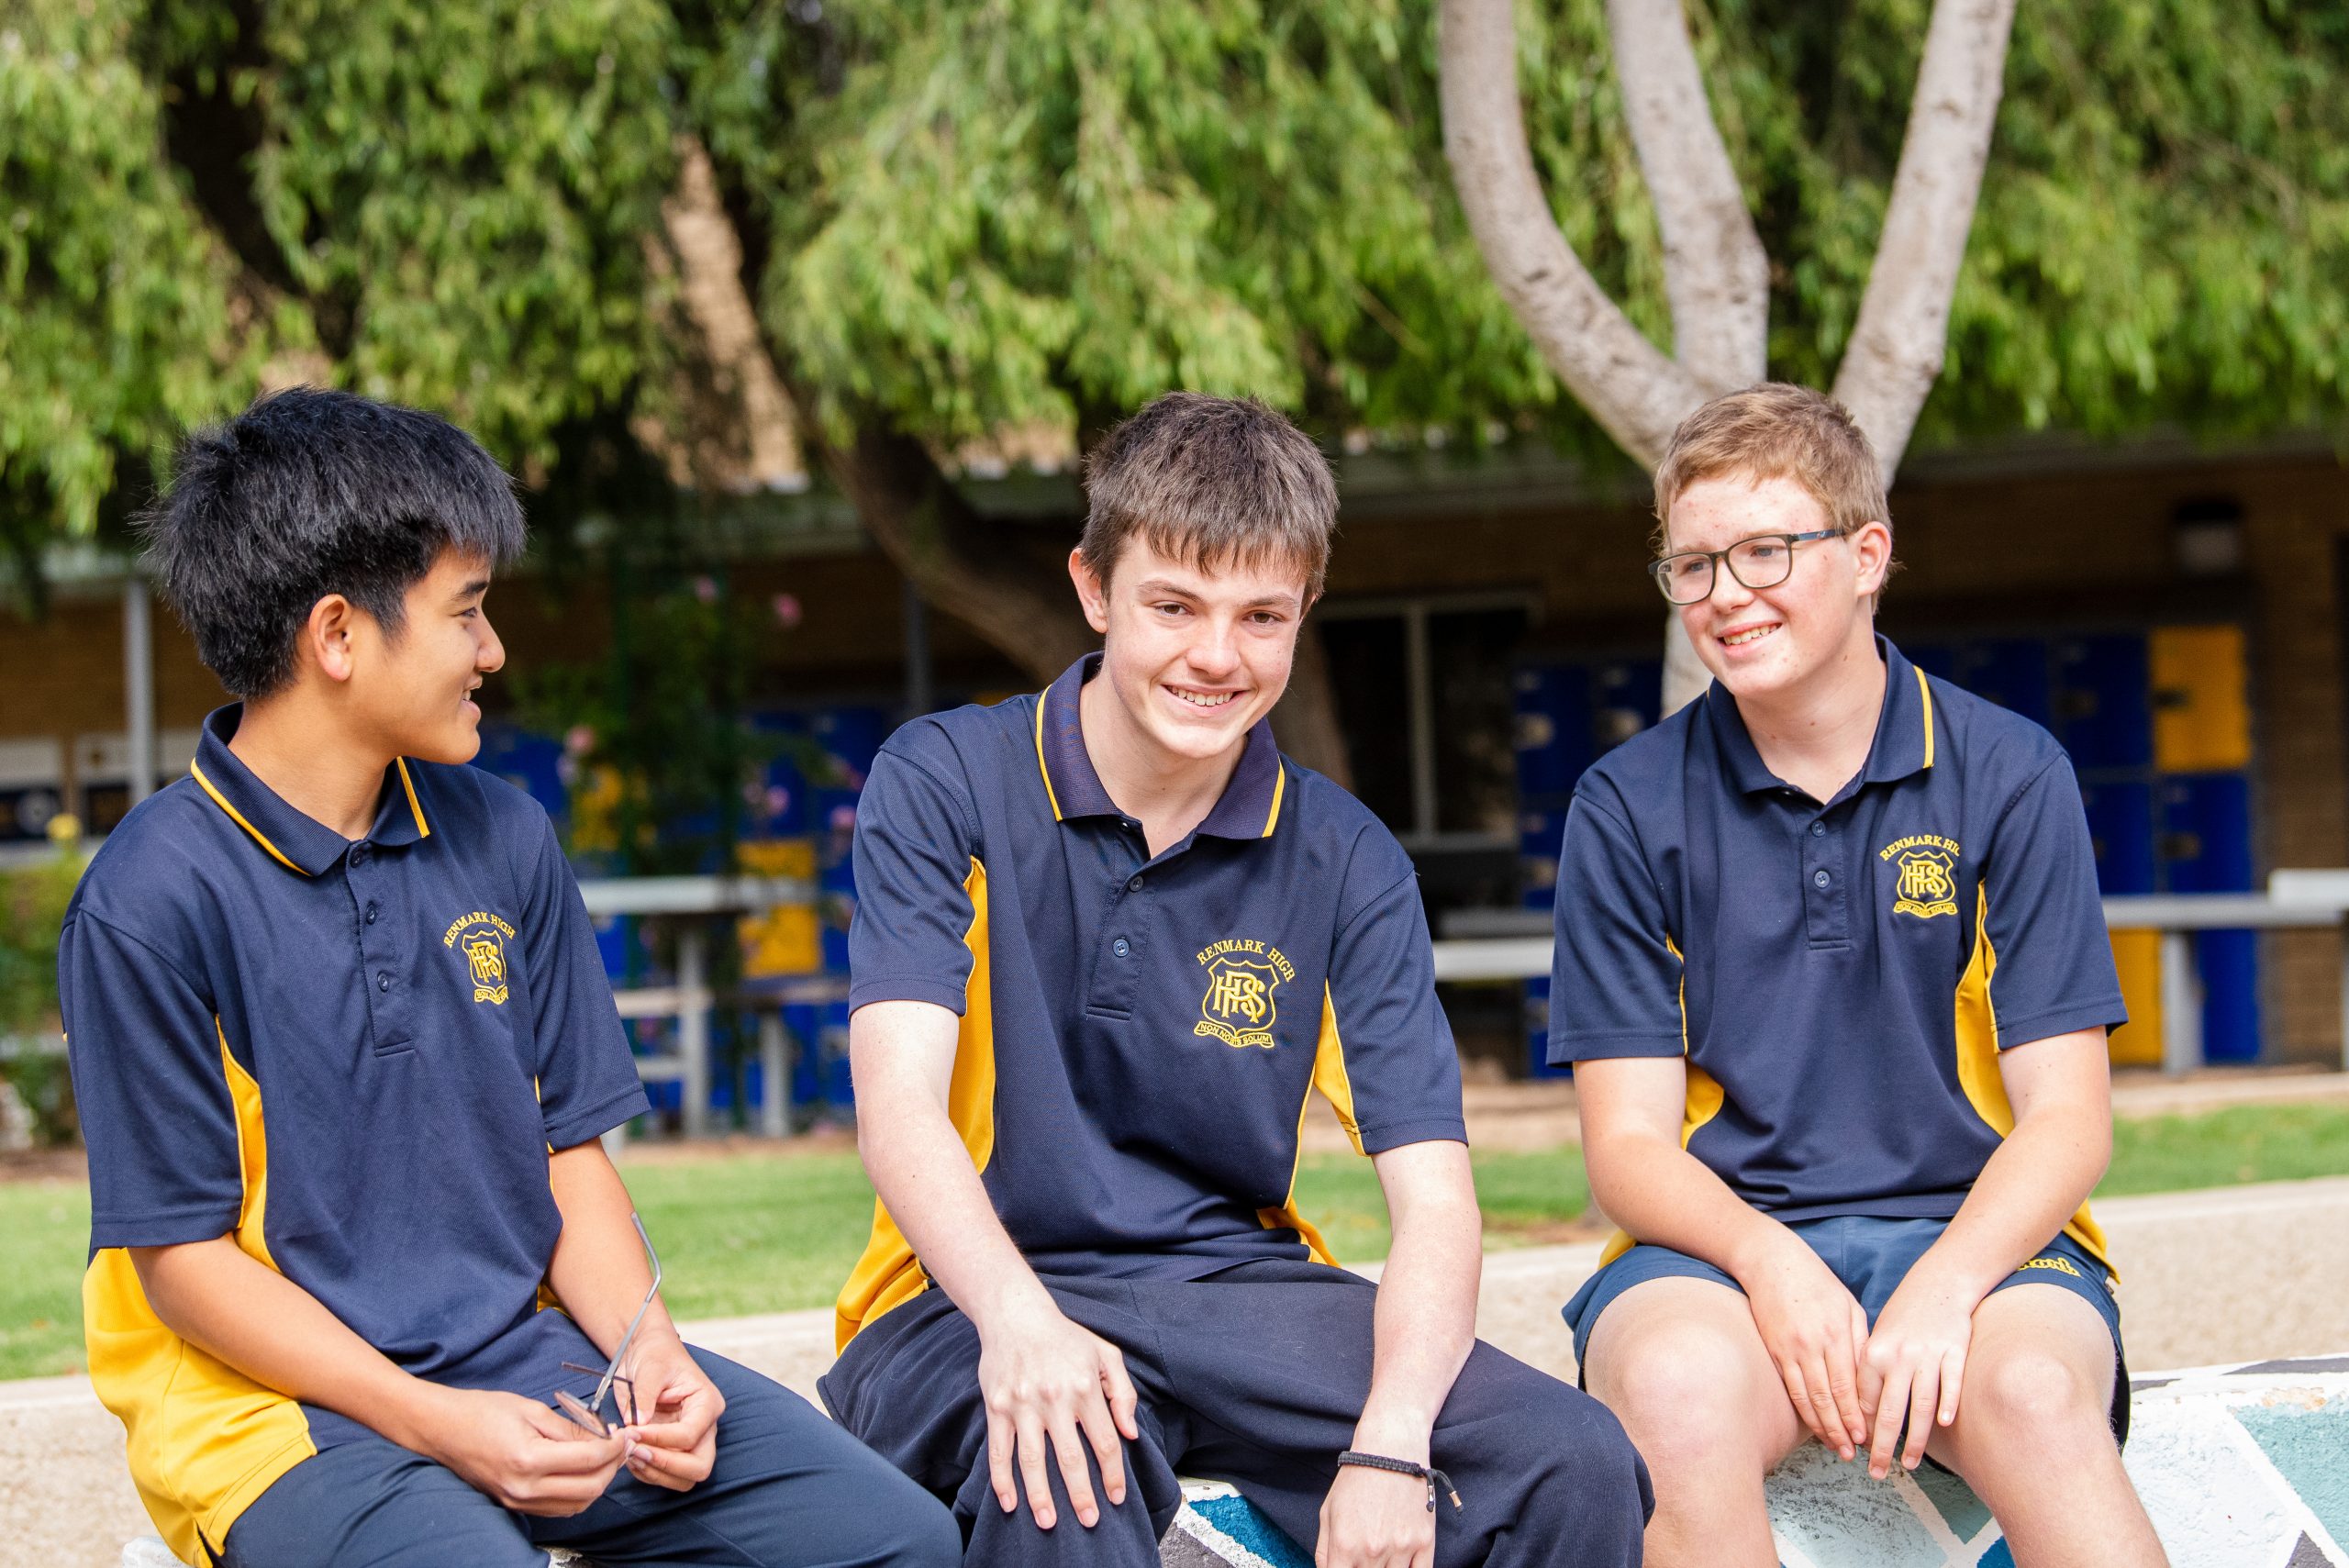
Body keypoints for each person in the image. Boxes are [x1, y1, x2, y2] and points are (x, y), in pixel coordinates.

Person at [63, 388, 961, 1568]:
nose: (492, 649)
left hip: (528, 1357)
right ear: (338, 635)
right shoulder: (147, 898)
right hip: (274, 1414)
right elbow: (182, 1268)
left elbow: (565, 1151)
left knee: (898, 1540)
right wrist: (440, 1423)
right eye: (466, 611)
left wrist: (649, 1349)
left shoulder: (504, 835)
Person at [818, 392, 1651, 1568]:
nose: (1216, 656)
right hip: (959, 1295)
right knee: (1065, 1466)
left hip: (1234, 1284)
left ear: (1304, 608)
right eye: (1173, 605)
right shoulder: (946, 778)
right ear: (1093, 588)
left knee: (1572, 1458)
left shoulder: (1345, 855)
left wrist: (1391, 1440)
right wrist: (1019, 1323)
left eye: (1262, 615)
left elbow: (1434, 1200)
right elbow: (899, 1112)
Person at [1550, 383, 2167, 1567]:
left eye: (1765, 551)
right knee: (1672, 1391)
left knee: (2036, 1392)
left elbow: (2068, 1118)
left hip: (1984, 1242)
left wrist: (1946, 1284)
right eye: (1694, 566)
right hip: (1720, 1256)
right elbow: (1624, 1146)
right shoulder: (1625, 805)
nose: (1726, 594)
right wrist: (1771, 1262)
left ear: (1868, 554)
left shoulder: (2009, 772)